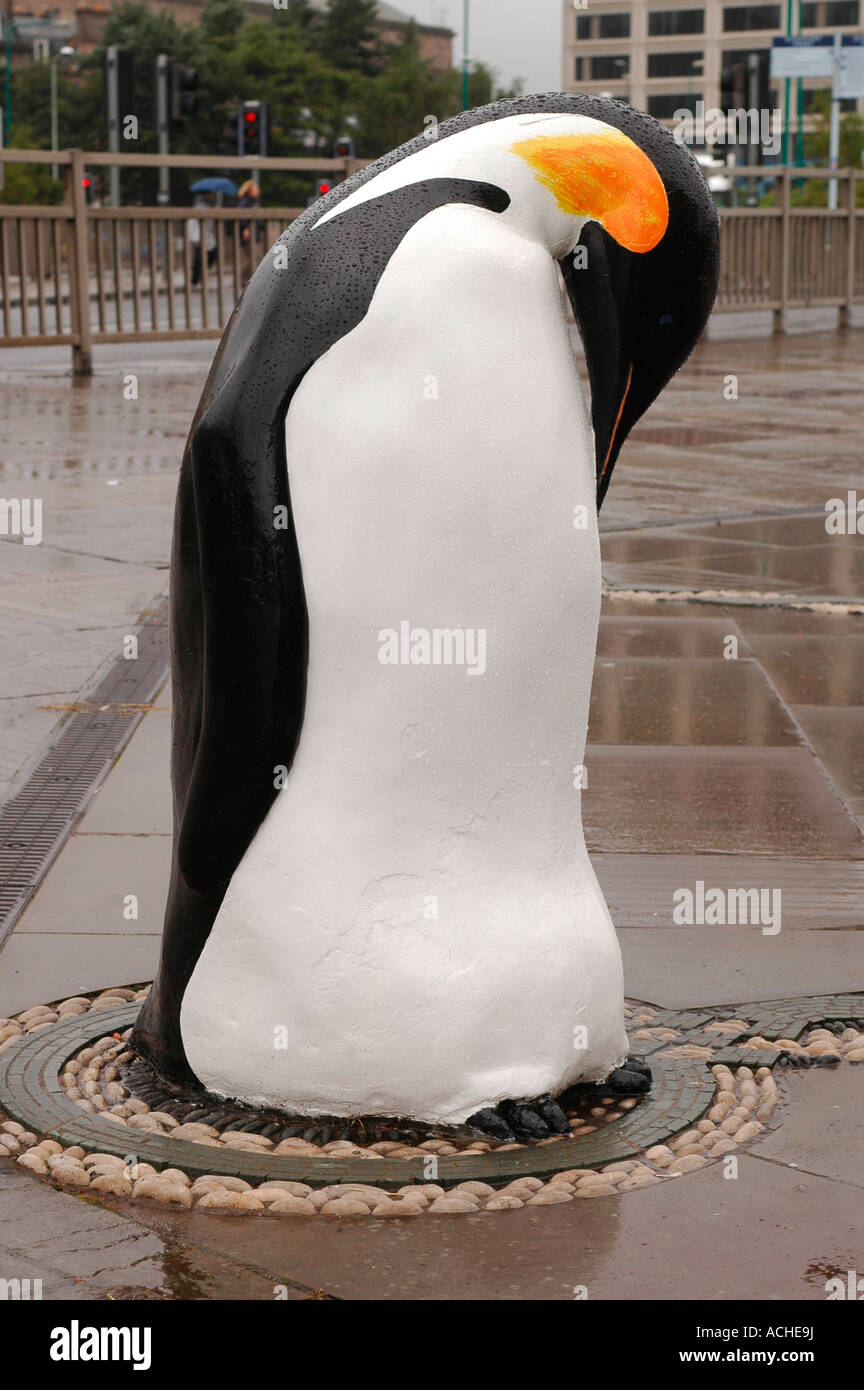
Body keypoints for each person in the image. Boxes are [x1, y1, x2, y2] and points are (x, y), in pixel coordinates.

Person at [189, 192, 217, 286]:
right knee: (200, 257)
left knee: (208, 255)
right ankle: (195, 279)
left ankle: (197, 277)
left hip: (206, 234)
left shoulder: (207, 203)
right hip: (201, 234)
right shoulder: (200, 204)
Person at [237, 179, 262, 284]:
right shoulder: (245, 202)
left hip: (254, 232)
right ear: (248, 190)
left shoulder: (254, 201)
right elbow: (242, 216)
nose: (257, 190)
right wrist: (245, 228)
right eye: (254, 188)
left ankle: (248, 279)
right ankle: (243, 279)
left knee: (254, 257)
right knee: (250, 257)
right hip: (249, 233)